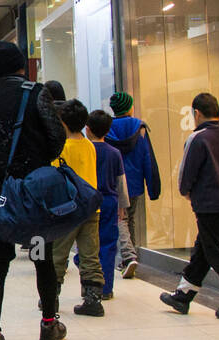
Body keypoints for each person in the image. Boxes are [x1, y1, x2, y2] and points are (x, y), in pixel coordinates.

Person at [0, 42, 66, 340]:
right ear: (23, 64)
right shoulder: (37, 92)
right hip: (33, 195)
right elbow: (57, 137)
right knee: (41, 257)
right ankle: (49, 324)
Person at [158, 92, 219, 321]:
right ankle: (183, 294)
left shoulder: (198, 138)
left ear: (197, 113)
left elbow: (187, 172)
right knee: (204, 247)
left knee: (216, 250)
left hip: (207, 202)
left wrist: (185, 192)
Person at [49, 99, 106, 317]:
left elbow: (55, 178)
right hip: (91, 207)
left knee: (58, 256)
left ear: (62, 122)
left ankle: (51, 298)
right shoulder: (89, 145)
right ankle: (93, 299)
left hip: (67, 209)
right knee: (90, 254)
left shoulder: (60, 148)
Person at [106, 92, 161, 278]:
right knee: (129, 220)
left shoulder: (107, 129)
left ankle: (128, 258)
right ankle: (130, 258)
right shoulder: (141, 129)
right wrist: (153, 187)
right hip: (135, 182)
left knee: (120, 219)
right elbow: (148, 159)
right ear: (130, 107)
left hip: (115, 182)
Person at [84, 109, 129, 301]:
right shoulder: (114, 153)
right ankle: (106, 288)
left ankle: (90, 280)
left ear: (87, 129)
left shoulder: (86, 150)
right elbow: (121, 181)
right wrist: (123, 205)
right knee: (109, 245)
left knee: (86, 244)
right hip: (110, 201)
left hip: (88, 201)